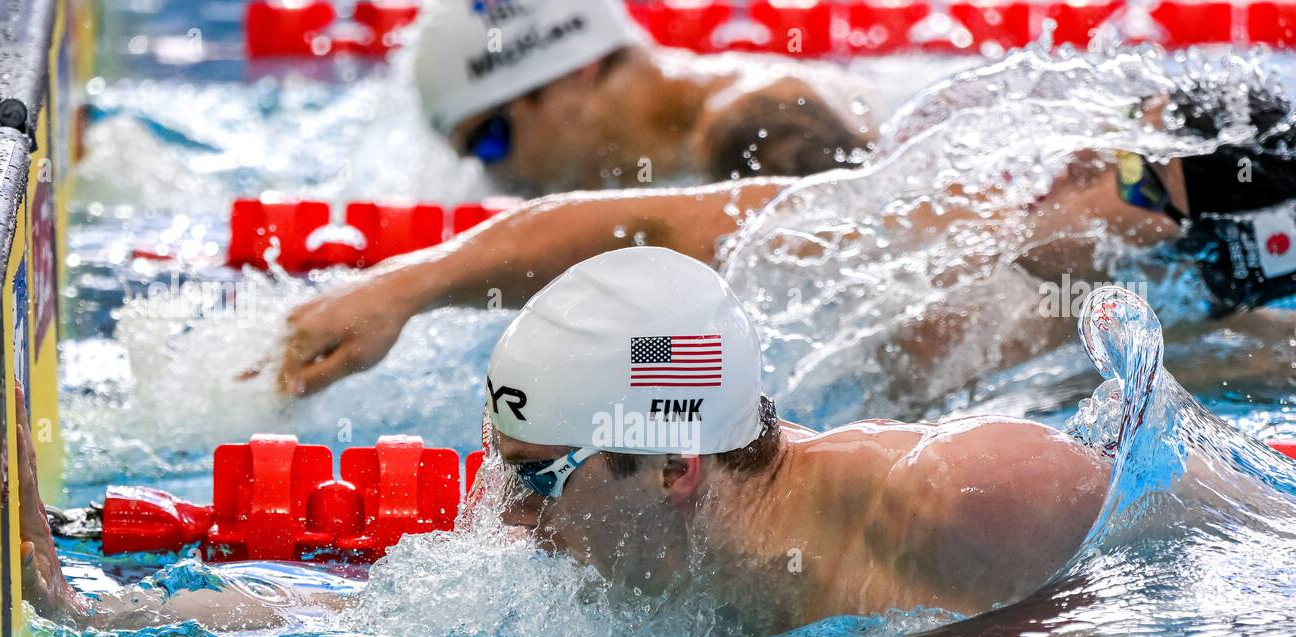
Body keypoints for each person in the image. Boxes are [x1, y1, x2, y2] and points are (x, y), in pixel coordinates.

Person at [25, 248, 1111, 637]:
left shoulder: (971, 494)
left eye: (537, 478)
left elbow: (1187, 558)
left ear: (675, 466)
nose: (505, 514)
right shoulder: (614, 543)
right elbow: (364, 617)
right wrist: (94, 603)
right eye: (501, 465)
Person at [273, 72, 1296, 399]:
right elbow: (658, 222)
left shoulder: (1174, 313)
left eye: (1112, 169)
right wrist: (410, 283)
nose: (1062, 168)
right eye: (1090, 146)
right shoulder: (955, 226)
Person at [410, 0, 874, 193]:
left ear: (575, 72)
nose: (494, 179)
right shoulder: (665, 160)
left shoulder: (756, 127)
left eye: (490, 140)